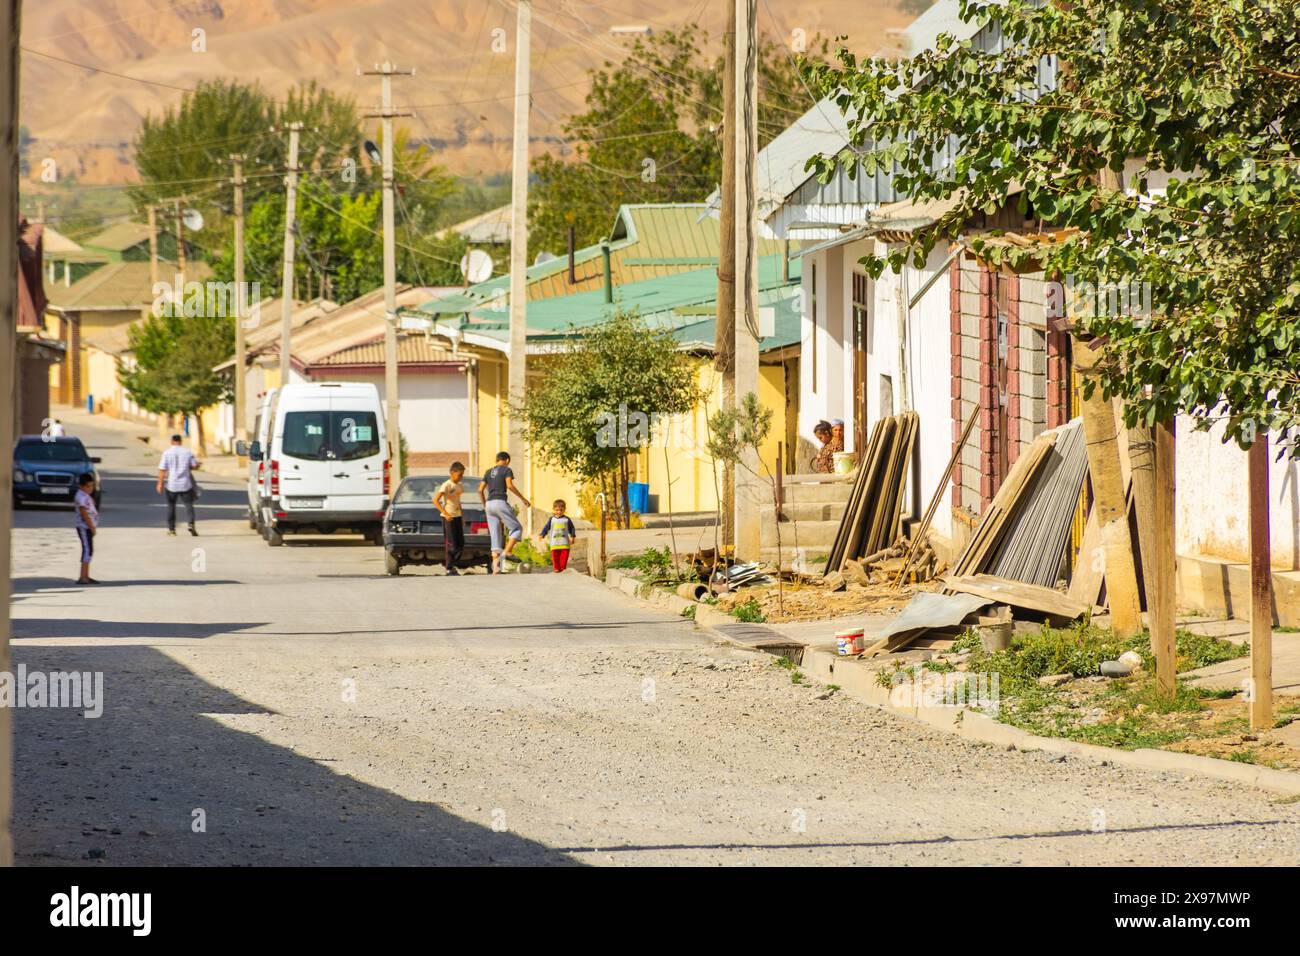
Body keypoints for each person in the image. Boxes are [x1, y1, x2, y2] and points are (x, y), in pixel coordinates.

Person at [479, 451, 531, 574]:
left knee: (495, 536)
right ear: (507, 460)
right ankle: (507, 551)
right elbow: (509, 485)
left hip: (489, 504)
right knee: (517, 528)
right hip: (500, 502)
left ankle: (496, 569)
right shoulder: (506, 470)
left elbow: (480, 490)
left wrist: (485, 504)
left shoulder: (488, 472)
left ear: (497, 460)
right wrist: (523, 498)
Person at [157, 434, 201, 536]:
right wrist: (196, 465)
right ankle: (191, 524)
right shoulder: (187, 452)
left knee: (171, 507)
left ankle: (172, 530)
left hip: (171, 485)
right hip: (185, 484)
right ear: (181, 441)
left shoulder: (167, 453)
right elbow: (194, 465)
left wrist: (160, 483)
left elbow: (162, 469)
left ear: (171, 441)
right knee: (189, 505)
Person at [435, 462, 466, 576]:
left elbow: (458, 501)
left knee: (461, 543)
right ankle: (449, 568)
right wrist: (445, 513)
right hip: (448, 518)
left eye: (462, 475)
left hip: (457, 516)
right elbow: (435, 500)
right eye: (459, 475)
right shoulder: (446, 485)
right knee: (451, 543)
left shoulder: (460, 486)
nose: (461, 477)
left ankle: (453, 564)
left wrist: (462, 516)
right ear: (452, 473)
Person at [538, 499, 578, 573]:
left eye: (561, 510)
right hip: (554, 542)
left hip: (565, 543)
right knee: (555, 557)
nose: (559, 512)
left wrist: (572, 537)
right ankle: (556, 568)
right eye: (557, 510)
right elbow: (547, 527)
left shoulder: (566, 519)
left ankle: (563, 569)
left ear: (564, 510)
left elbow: (572, 528)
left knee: (564, 557)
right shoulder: (552, 519)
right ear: (553, 509)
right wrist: (542, 534)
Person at [74, 472, 99, 585]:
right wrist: (91, 527)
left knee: (89, 551)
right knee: (87, 551)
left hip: (87, 527)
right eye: (88, 486)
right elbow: (84, 513)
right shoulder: (80, 497)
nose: (91, 488)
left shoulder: (85, 496)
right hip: (84, 527)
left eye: (92, 485)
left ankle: (86, 576)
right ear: (81, 486)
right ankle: (82, 577)